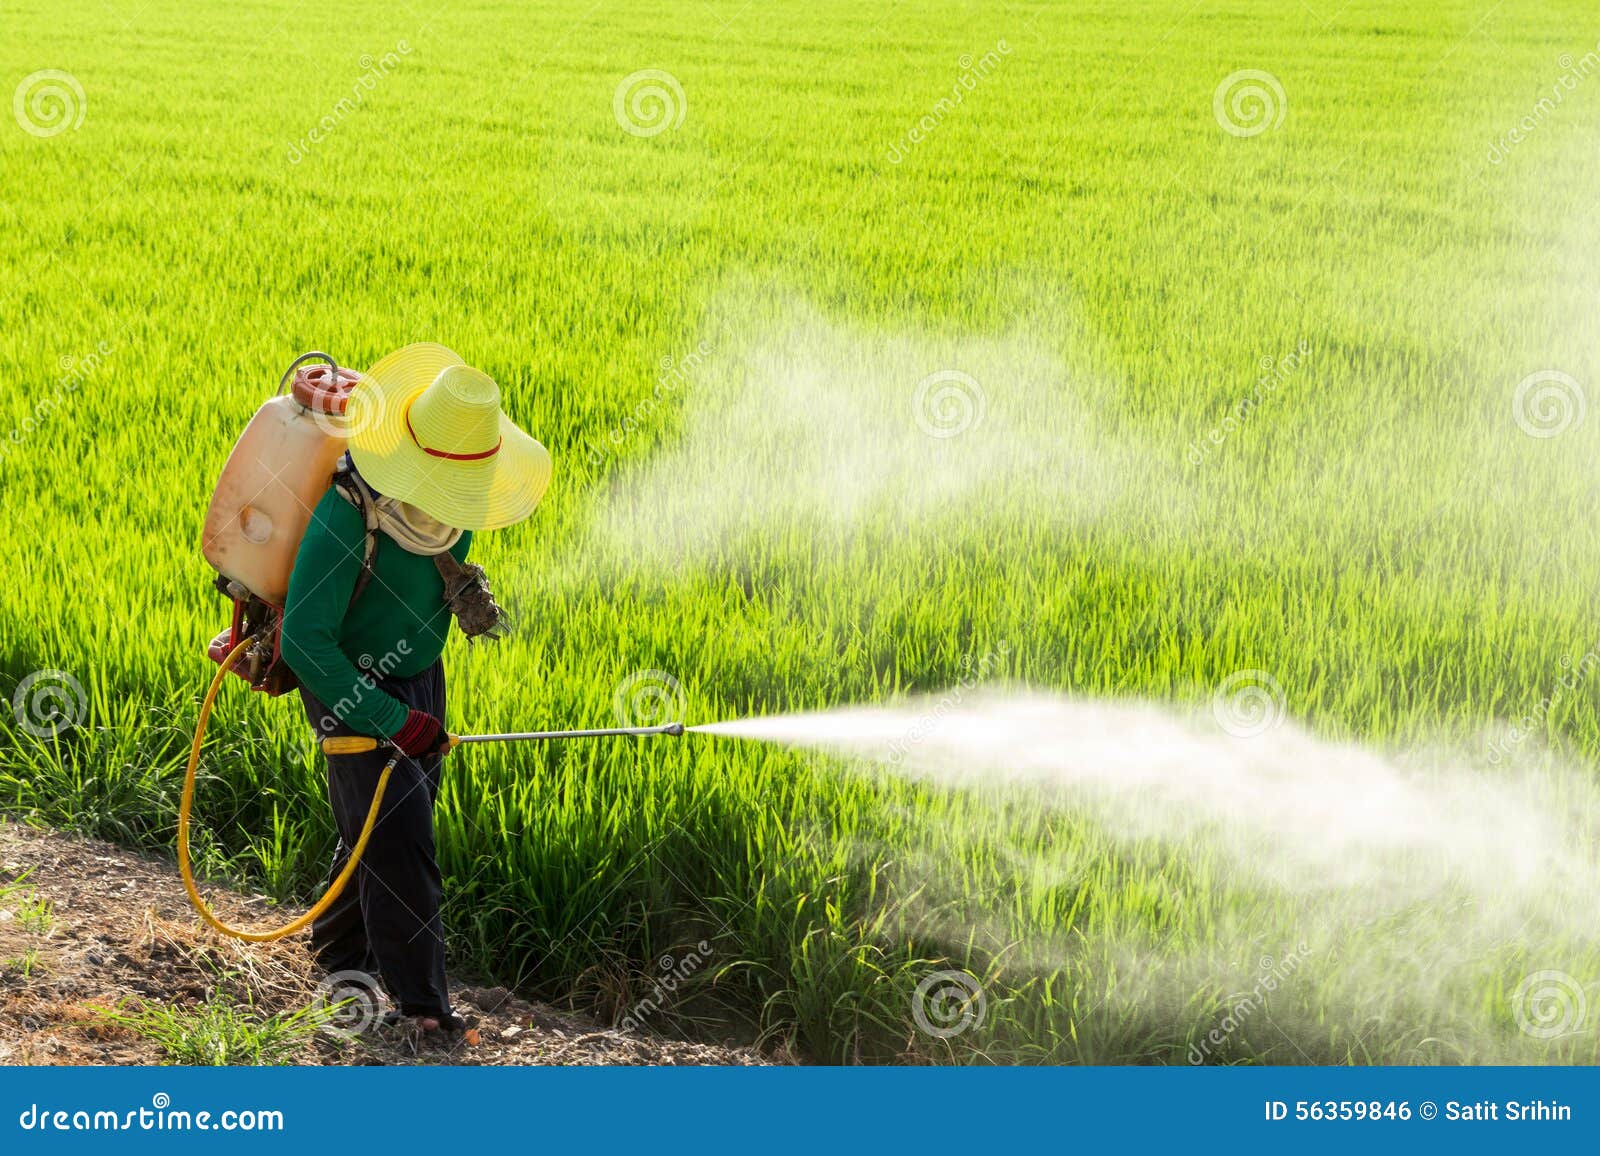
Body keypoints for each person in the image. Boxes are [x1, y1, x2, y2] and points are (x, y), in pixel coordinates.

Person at [280, 342, 550, 1033]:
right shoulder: (347, 514)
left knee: (384, 821)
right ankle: (423, 1009)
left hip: (420, 673)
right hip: (348, 679)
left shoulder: (454, 508)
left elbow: (424, 571)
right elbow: (304, 641)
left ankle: (341, 954)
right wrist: (387, 717)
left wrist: (459, 588)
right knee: (402, 842)